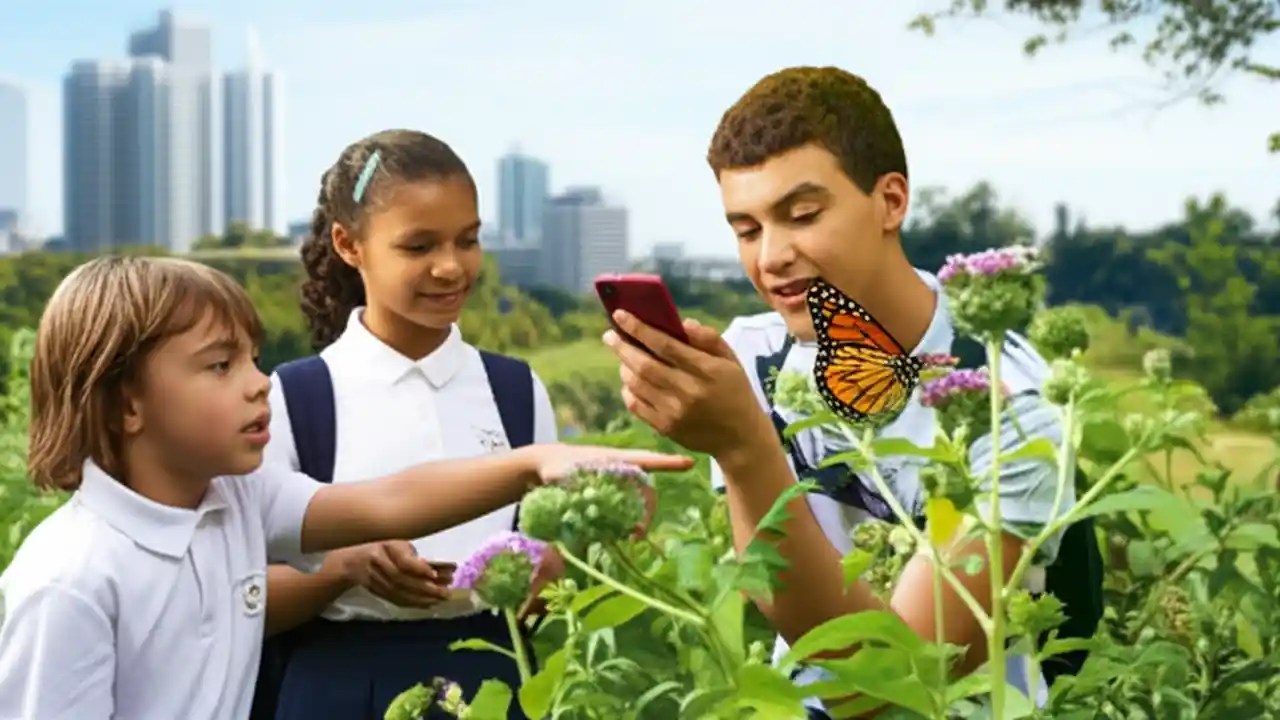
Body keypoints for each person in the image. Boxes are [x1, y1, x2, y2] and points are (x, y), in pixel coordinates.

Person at [0, 256, 690, 720]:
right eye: (218, 365)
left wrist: (533, 463)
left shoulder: (236, 500)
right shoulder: (71, 580)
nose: (257, 382)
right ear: (125, 405)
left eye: (252, 357)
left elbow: (386, 501)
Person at [603, 66, 1086, 717]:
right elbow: (774, 596)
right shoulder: (756, 356)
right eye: (746, 230)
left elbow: (897, 685)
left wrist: (747, 452)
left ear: (891, 202)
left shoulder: (1015, 406)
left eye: (801, 215)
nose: (771, 256)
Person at [254, 129, 561, 720]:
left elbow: (549, 558)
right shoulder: (298, 396)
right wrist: (343, 570)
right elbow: (240, 599)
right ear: (349, 245)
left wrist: (552, 569)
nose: (451, 267)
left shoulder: (515, 390)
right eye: (419, 247)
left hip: (495, 679)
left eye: (467, 241)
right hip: (339, 684)